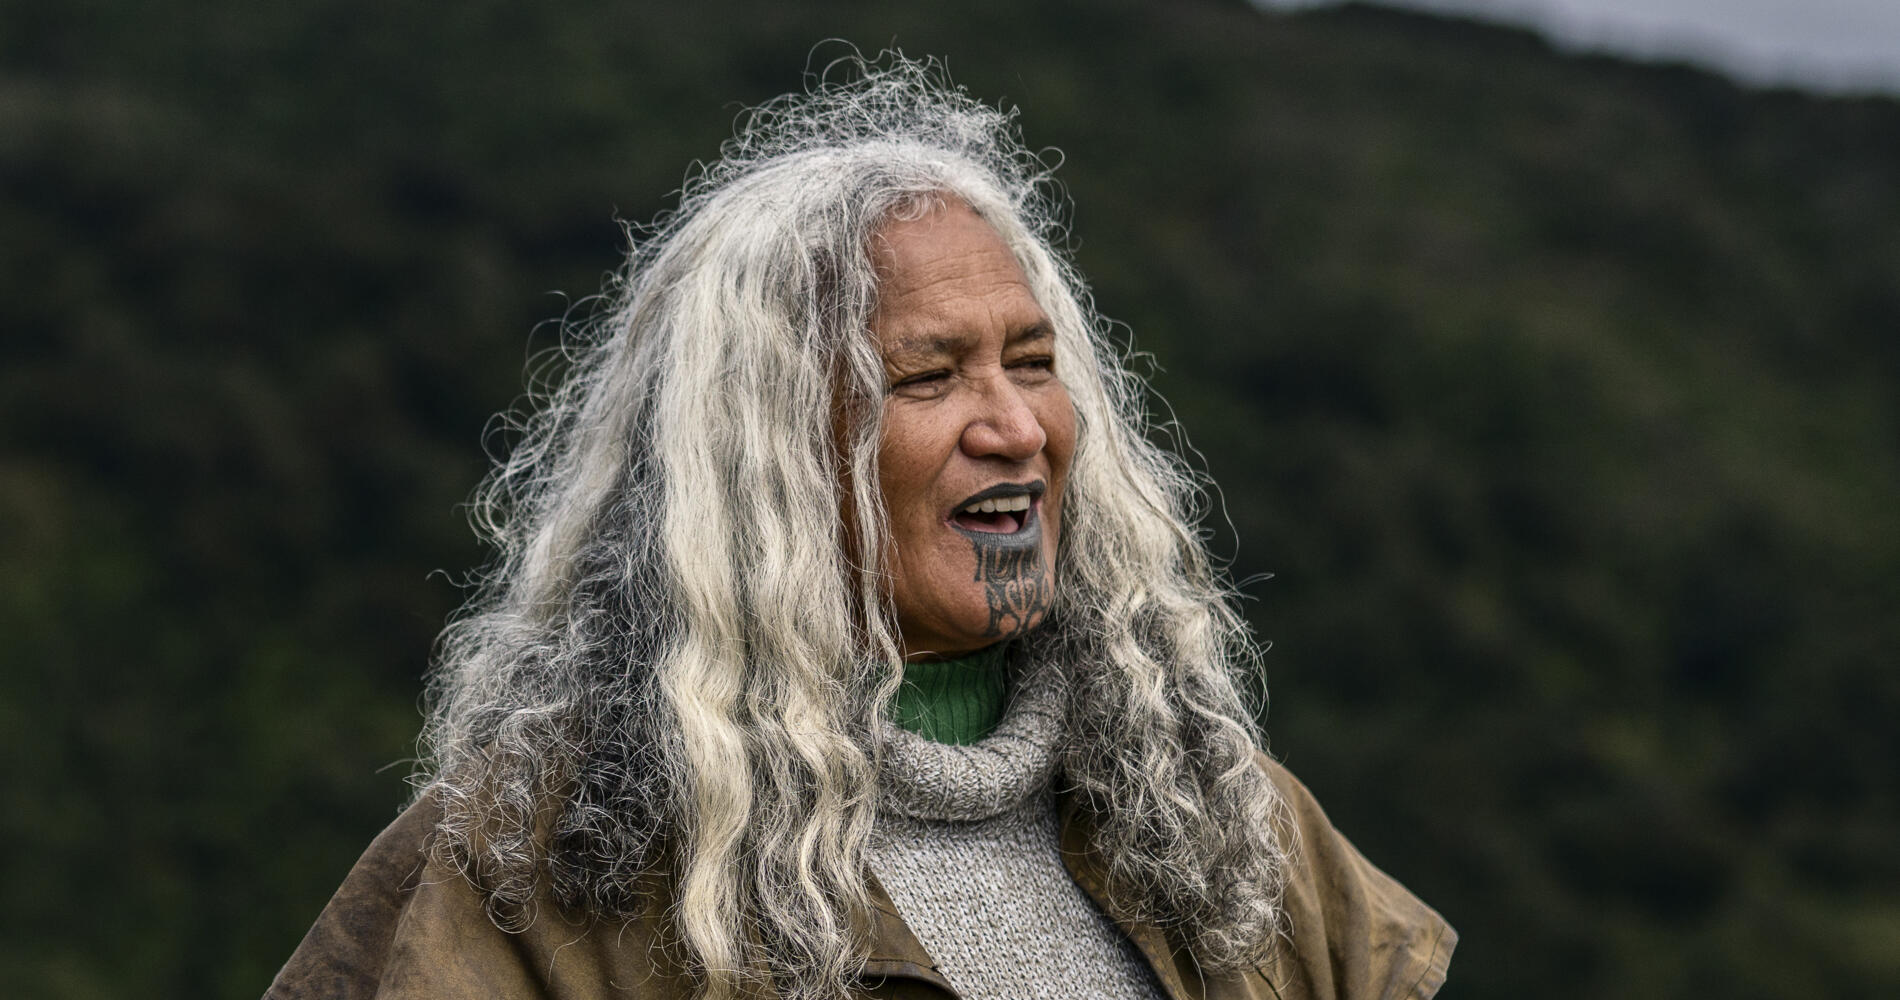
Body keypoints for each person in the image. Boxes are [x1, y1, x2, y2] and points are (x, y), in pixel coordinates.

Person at [268, 57, 1456, 1000]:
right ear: (763, 456)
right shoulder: (536, 869)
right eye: (930, 378)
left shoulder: (1224, 815)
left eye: (1032, 364)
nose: (1015, 427)